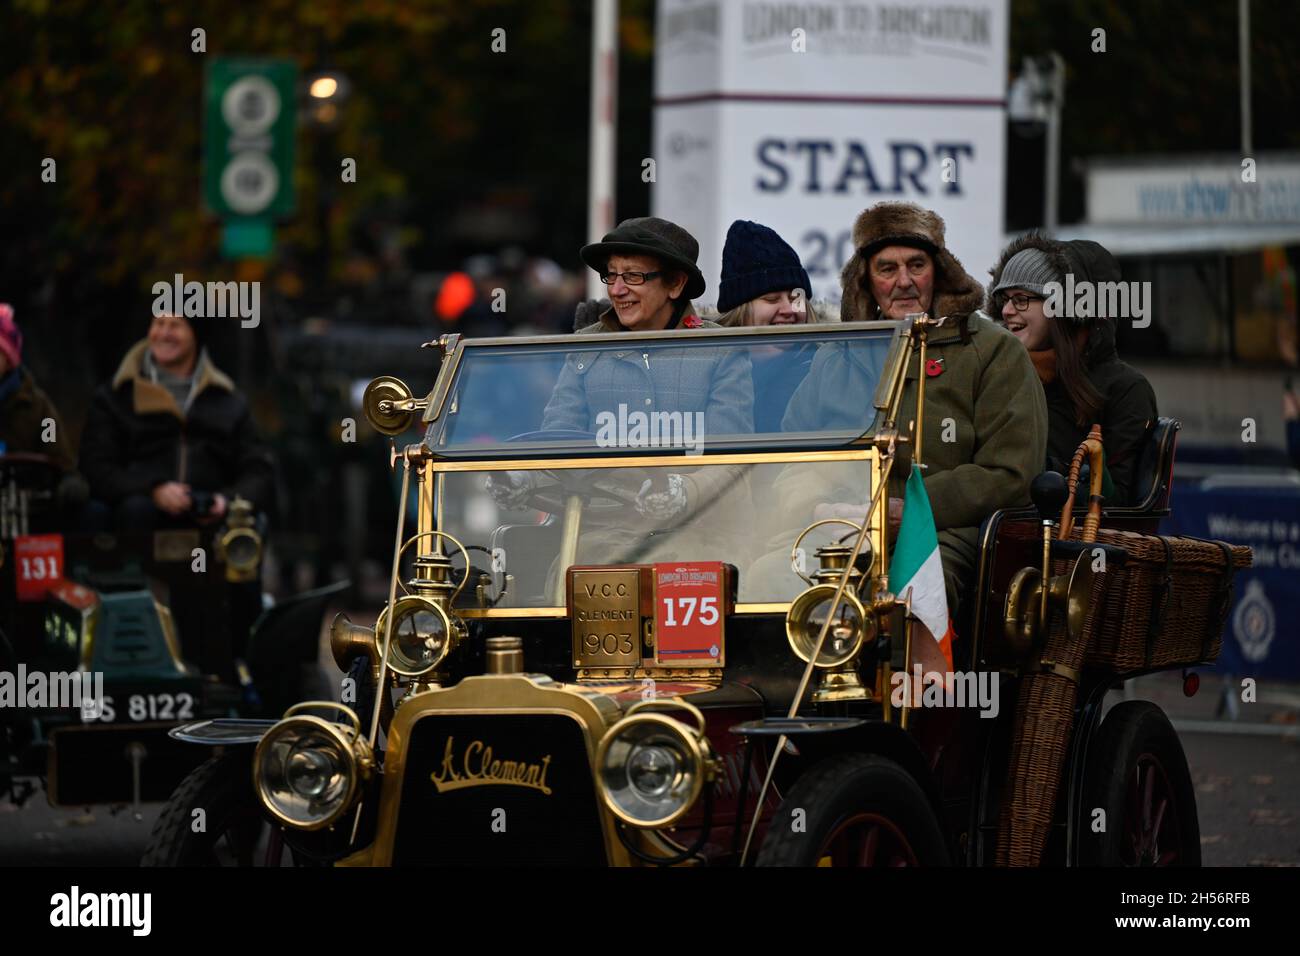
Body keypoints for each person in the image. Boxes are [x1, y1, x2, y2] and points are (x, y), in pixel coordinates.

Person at [776, 202, 1048, 671]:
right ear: (866, 281)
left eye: (916, 265)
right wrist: (817, 503)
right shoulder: (837, 356)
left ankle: (915, 726)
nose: (903, 281)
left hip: (944, 531)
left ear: (938, 272)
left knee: (911, 589)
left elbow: (1010, 475)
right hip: (838, 528)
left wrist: (906, 510)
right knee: (767, 576)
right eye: (887, 268)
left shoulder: (991, 351)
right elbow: (793, 457)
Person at [987, 234, 1158, 506]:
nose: (1007, 310)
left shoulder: (1126, 390)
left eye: (1021, 298)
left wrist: (1049, 473)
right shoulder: (998, 376)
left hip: (1072, 545)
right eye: (1004, 299)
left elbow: (1121, 507)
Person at [79, 310, 275, 531]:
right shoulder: (115, 397)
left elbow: (258, 471)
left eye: (175, 325)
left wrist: (225, 501)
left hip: (211, 524)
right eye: (158, 323)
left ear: (195, 334)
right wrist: (153, 490)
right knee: (131, 509)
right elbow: (95, 468)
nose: (164, 333)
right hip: (137, 524)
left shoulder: (229, 401)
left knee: (252, 524)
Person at [714, 220, 836, 433]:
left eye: (796, 298)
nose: (789, 309)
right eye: (771, 299)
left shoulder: (828, 371)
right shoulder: (706, 372)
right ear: (739, 312)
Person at [0, 304, 88, 518]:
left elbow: (57, 454)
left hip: (29, 507)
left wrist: (70, 481)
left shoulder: (38, 409)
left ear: (9, 359)